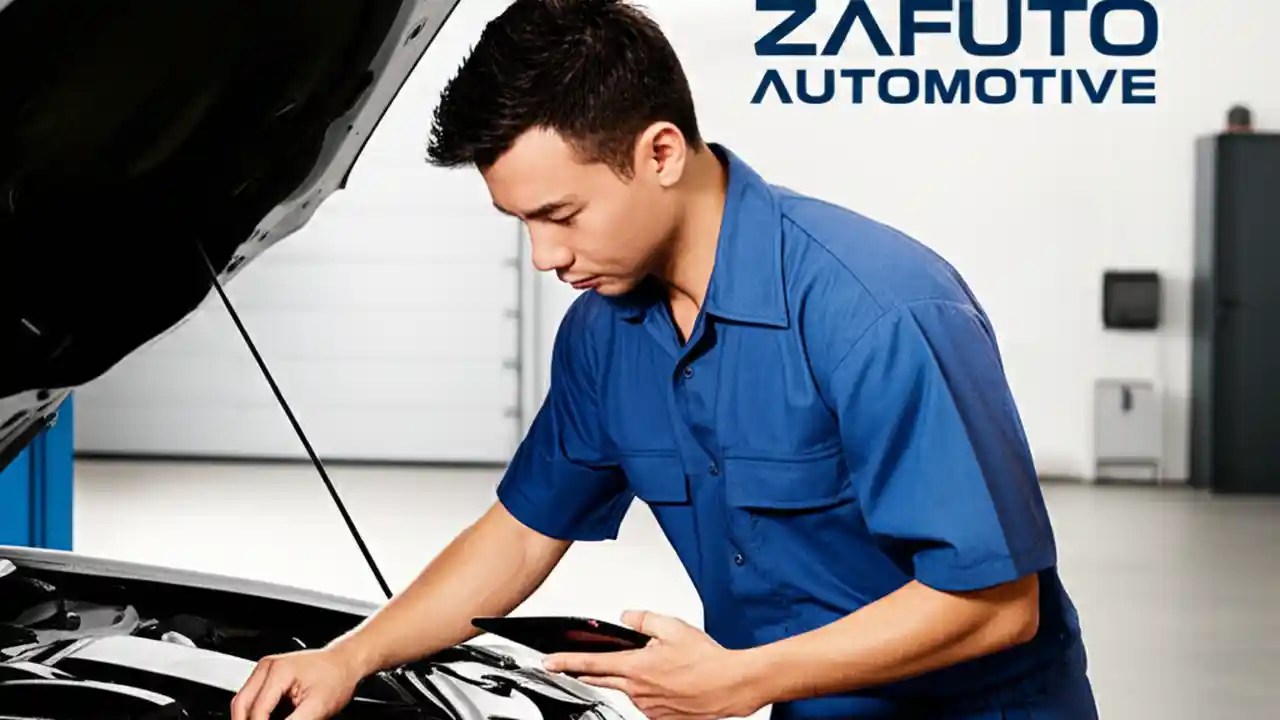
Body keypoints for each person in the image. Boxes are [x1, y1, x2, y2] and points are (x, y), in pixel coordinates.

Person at [230, 1, 1097, 718]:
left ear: (660, 153)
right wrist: (351, 655)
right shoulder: (605, 333)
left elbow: (995, 605)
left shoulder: (878, 311)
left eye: (561, 215)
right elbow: (524, 533)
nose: (543, 259)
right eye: (521, 223)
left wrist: (742, 679)